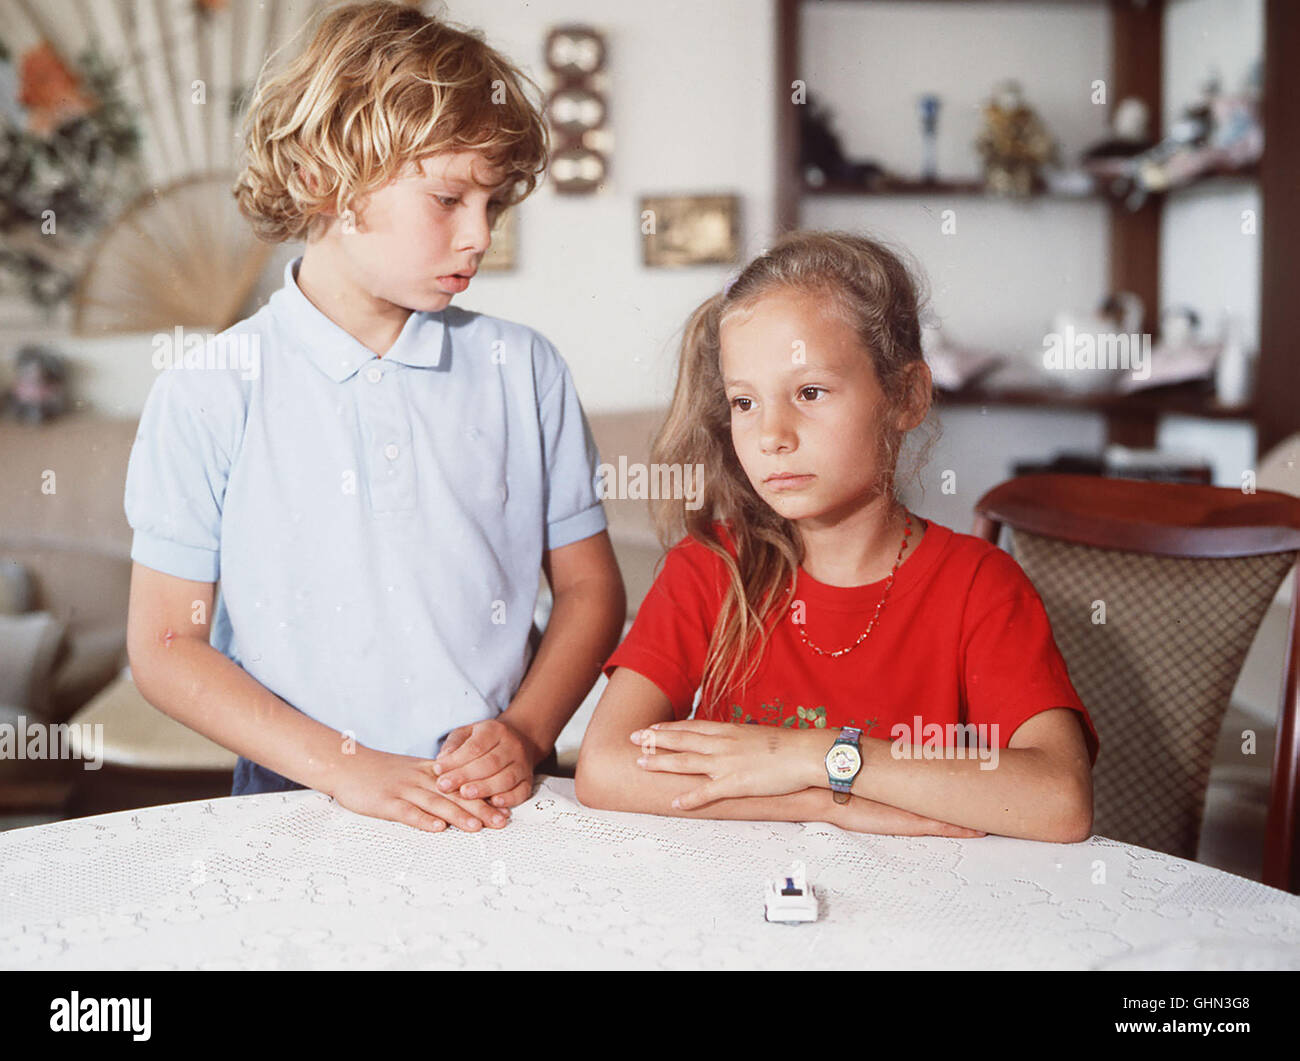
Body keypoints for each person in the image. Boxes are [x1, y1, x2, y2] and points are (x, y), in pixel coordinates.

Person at [124, 2, 625, 833]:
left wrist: (527, 731)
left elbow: (589, 591)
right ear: (327, 179)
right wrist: (348, 771)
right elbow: (167, 648)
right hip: (297, 791)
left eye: (492, 206)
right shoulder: (207, 390)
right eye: (448, 198)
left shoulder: (525, 369)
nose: (479, 237)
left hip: (501, 788)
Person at [575, 230, 1098, 842]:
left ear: (906, 396)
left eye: (810, 392)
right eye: (744, 402)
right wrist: (825, 803)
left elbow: (1060, 800)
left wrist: (811, 755)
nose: (772, 434)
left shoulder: (979, 587)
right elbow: (604, 768)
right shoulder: (708, 569)